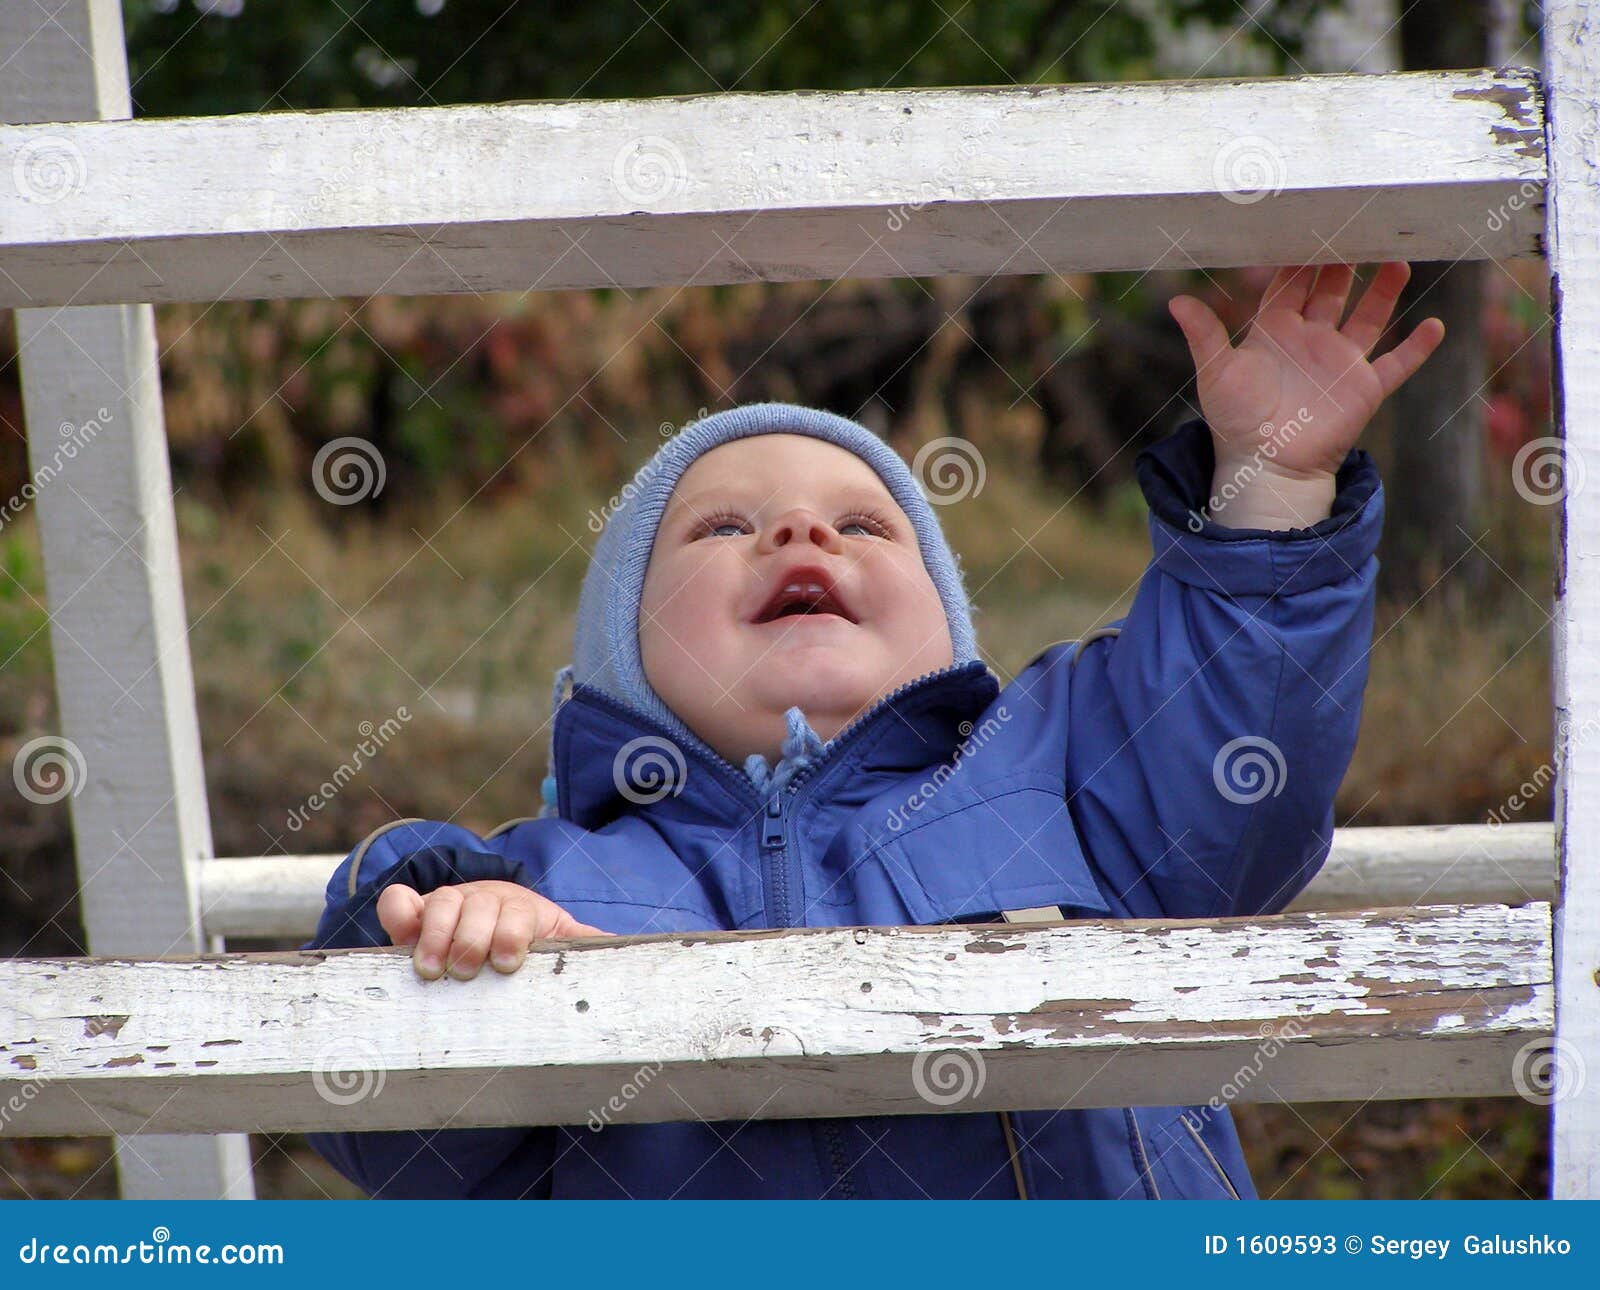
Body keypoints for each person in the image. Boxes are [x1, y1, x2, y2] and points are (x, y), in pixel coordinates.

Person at [302, 262, 1444, 1198]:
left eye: (863, 523)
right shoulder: (553, 878)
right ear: (622, 649)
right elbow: (395, 1142)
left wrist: (1269, 480)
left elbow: (1241, 735)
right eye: (721, 528)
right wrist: (443, 932)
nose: (802, 528)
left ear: (945, 637)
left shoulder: (1073, 769)